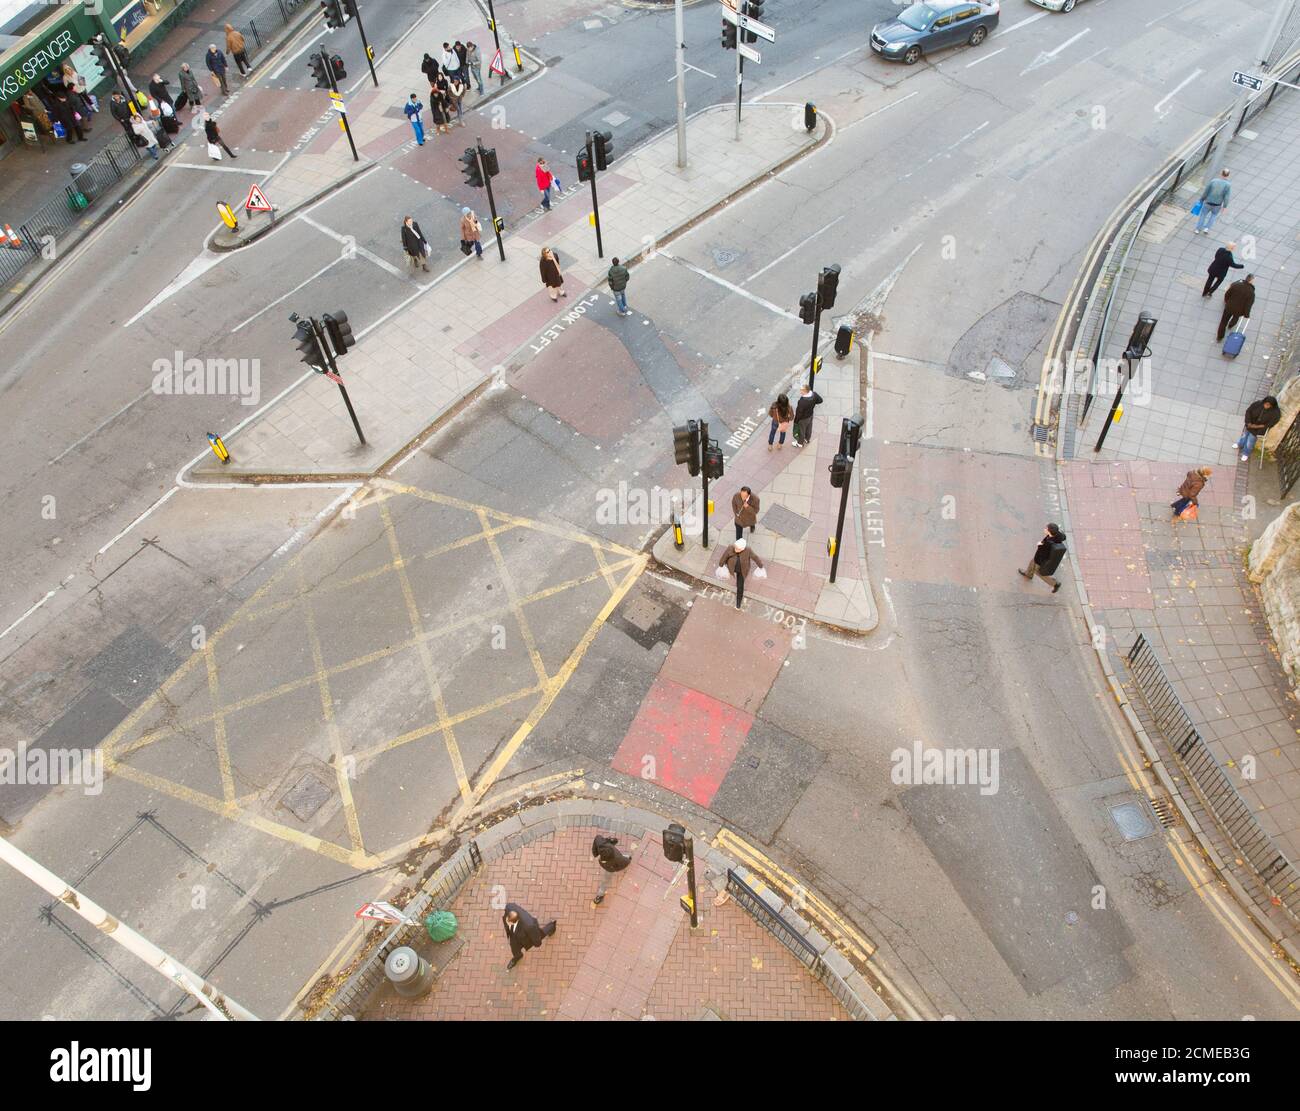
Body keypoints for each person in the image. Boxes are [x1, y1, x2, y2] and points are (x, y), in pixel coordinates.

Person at [502, 903, 556, 970]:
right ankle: (517, 957)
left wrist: (537, 943)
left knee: (539, 935)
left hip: (526, 936)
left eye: (509, 923)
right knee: (514, 949)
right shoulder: (509, 907)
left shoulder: (529, 926)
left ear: (516, 921)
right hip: (515, 936)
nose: (507, 923)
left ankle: (551, 926)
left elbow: (537, 941)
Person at [1018, 523, 1067, 593]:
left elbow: (1043, 554)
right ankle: (1028, 574)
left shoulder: (1048, 543)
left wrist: (1039, 545)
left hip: (1040, 560)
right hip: (1040, 557)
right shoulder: (1058, 535)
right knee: (1032, 563)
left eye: (1046, 529)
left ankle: (1055, 584)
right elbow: (1063, 537)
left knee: (1039, 573)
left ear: (1049, 532)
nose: (1044, 529)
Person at [719, 537, 763, 609]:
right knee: (733, 577)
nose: (736, 549)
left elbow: (755, 557)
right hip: (732, 568)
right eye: (736, 547)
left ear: (743, 548)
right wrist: (721, 564)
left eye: (738, 548)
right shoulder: (730, 547)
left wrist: (760, 566)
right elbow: (724, 556)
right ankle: (733, 575)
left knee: (740, 586)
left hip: (743, 570)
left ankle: (738, 602)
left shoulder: (748, 550)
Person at [591, 834, 631, 907]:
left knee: (605, 881)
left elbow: (624, 862)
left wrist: (595, 854)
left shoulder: (616, 858)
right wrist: (595, 853)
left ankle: (600, 895)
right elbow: (597, 839)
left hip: (612, 865)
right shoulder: (601, 842)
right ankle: (600, 895)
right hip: (612, 864)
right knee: (606, 880)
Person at [1236, 396, 1280, 462]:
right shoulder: (1257, 404)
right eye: (1265, 404)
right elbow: (1248, 411)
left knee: (1250, 441)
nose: (1266, 406)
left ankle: (1246, 453)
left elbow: (1270, 424)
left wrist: (1256, 426)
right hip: (1250, 424)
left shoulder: (1275, 413)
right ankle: (1240, 444)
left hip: (1259, 429)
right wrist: (1248, 422)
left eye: (1268, 405)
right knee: (1244, 435)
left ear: (1272, 405)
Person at [1217, 274, 1255, 341]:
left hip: (1229, 307)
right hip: (1239, 310)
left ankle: (1220, 336)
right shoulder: (1251, 293)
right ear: (1251, 281)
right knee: (1236, 317)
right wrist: (1246, 315)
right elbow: (1248, 305)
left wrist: (1227, 302)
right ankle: (1231, 325)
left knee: (1223, 322)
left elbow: (1227, 294)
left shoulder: (1236, 285)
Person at [1195, 169, 1231, 235]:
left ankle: (1198, 229)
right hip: (1217, 204)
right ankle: (1206, 228)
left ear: (1221, 173)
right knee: (1213, 216)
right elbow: (1227, 197)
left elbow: (1206, 191)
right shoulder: (1228, 185)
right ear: (1228, 175)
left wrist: (1201, 199)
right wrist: (1225, 206)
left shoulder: (1213, 181)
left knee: (1203, 215)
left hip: (1208, 202)